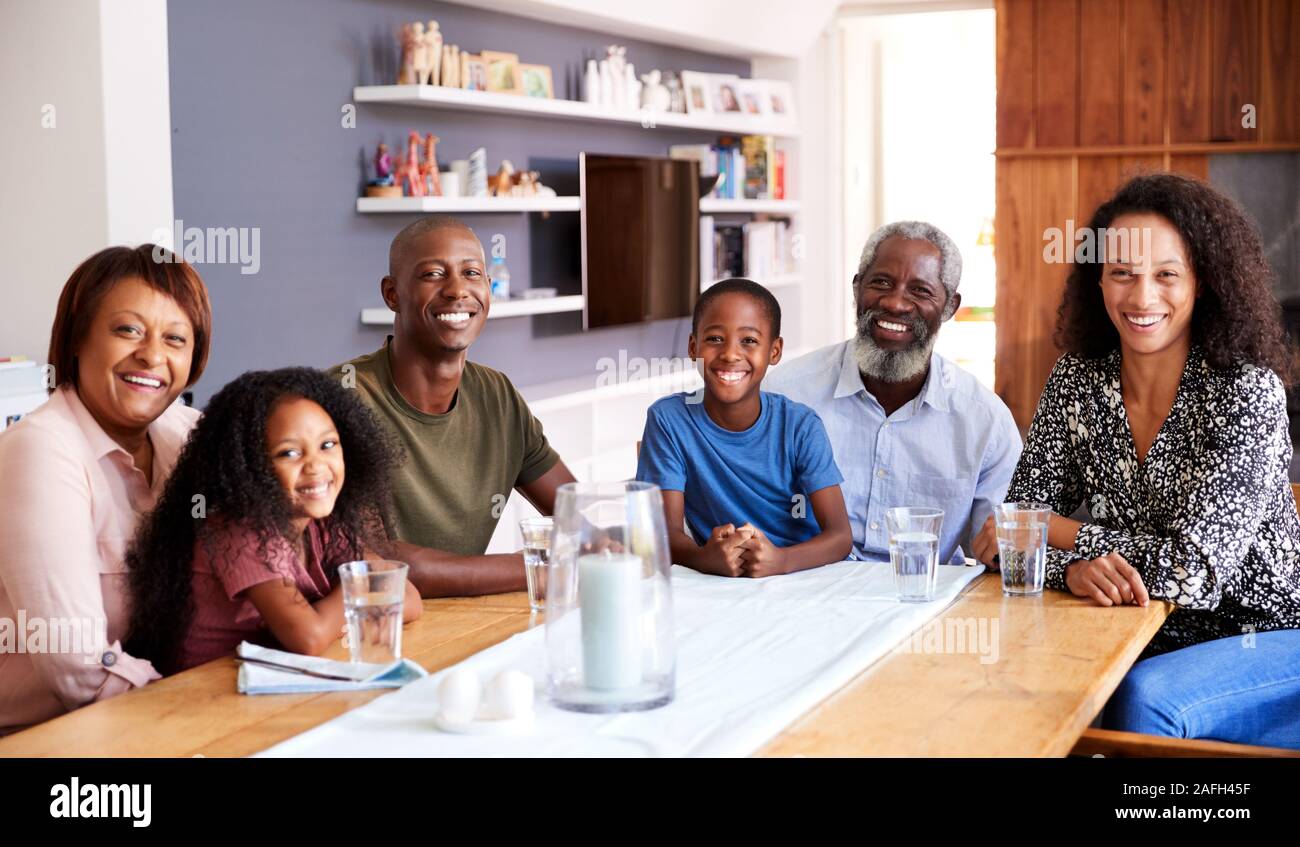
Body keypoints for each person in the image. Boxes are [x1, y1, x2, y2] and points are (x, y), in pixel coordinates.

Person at [971, 173, 1300, 747]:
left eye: (1166, 275)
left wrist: (1059, 530)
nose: (1142, 297)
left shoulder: (1248, 393)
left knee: (1141, 698)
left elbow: (1190, 571)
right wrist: (1069, 570)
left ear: (1204, 283)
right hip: (1127, 626)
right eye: (1123, 273)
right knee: (991, 679)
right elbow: (1009, 534)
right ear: (1099, 281)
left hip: (1257, 634)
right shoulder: (1077, 381)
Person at [0, 244, 211, 734]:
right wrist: (200, 706)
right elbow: (80, 671)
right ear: (77, 339)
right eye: (128, 330)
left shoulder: (189, 434)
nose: (152, 355)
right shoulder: (39, 450)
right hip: (40, 740)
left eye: (176, 339)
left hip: (146, 716)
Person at [332, 217, 576, 597]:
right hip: (371, 628)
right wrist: (539, 566)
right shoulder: (341, 398)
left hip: (466, 625)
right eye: (433, 274)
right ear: (392, 293)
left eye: (472, 272)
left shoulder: (498, 395)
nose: (457, 290)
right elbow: (381, 562)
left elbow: (575, 514)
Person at [124, 368, 422, 673]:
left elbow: (410, 598)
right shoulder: (239, 532)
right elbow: (308, 637)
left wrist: (353, 600)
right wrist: (359, 590)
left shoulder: (324, 522)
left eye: (328, 444)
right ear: (249, 469)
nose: (316, 466)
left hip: (274, 686)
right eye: (290, 453)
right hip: (208, 698)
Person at [767, 221, 1021, 564]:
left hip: (927, 603)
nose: (896, 303)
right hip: (802, 594)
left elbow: (1004, 549)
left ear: (949, 307)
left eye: (920, 291)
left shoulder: (985, 422)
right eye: (882, 282)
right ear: (857, 289)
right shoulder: (784, 395)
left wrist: (1007, 547)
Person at [636, 279, 852, 576]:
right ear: (693, 347)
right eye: (714, 339)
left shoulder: (800, 426)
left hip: (802, 576)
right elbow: (663, 535)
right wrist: (704, 557)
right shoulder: (669, 420)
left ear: (774, 351)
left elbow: (840, 538)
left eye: (748, 341)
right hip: (722, 582)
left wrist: (780, 561)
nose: (730, 354)